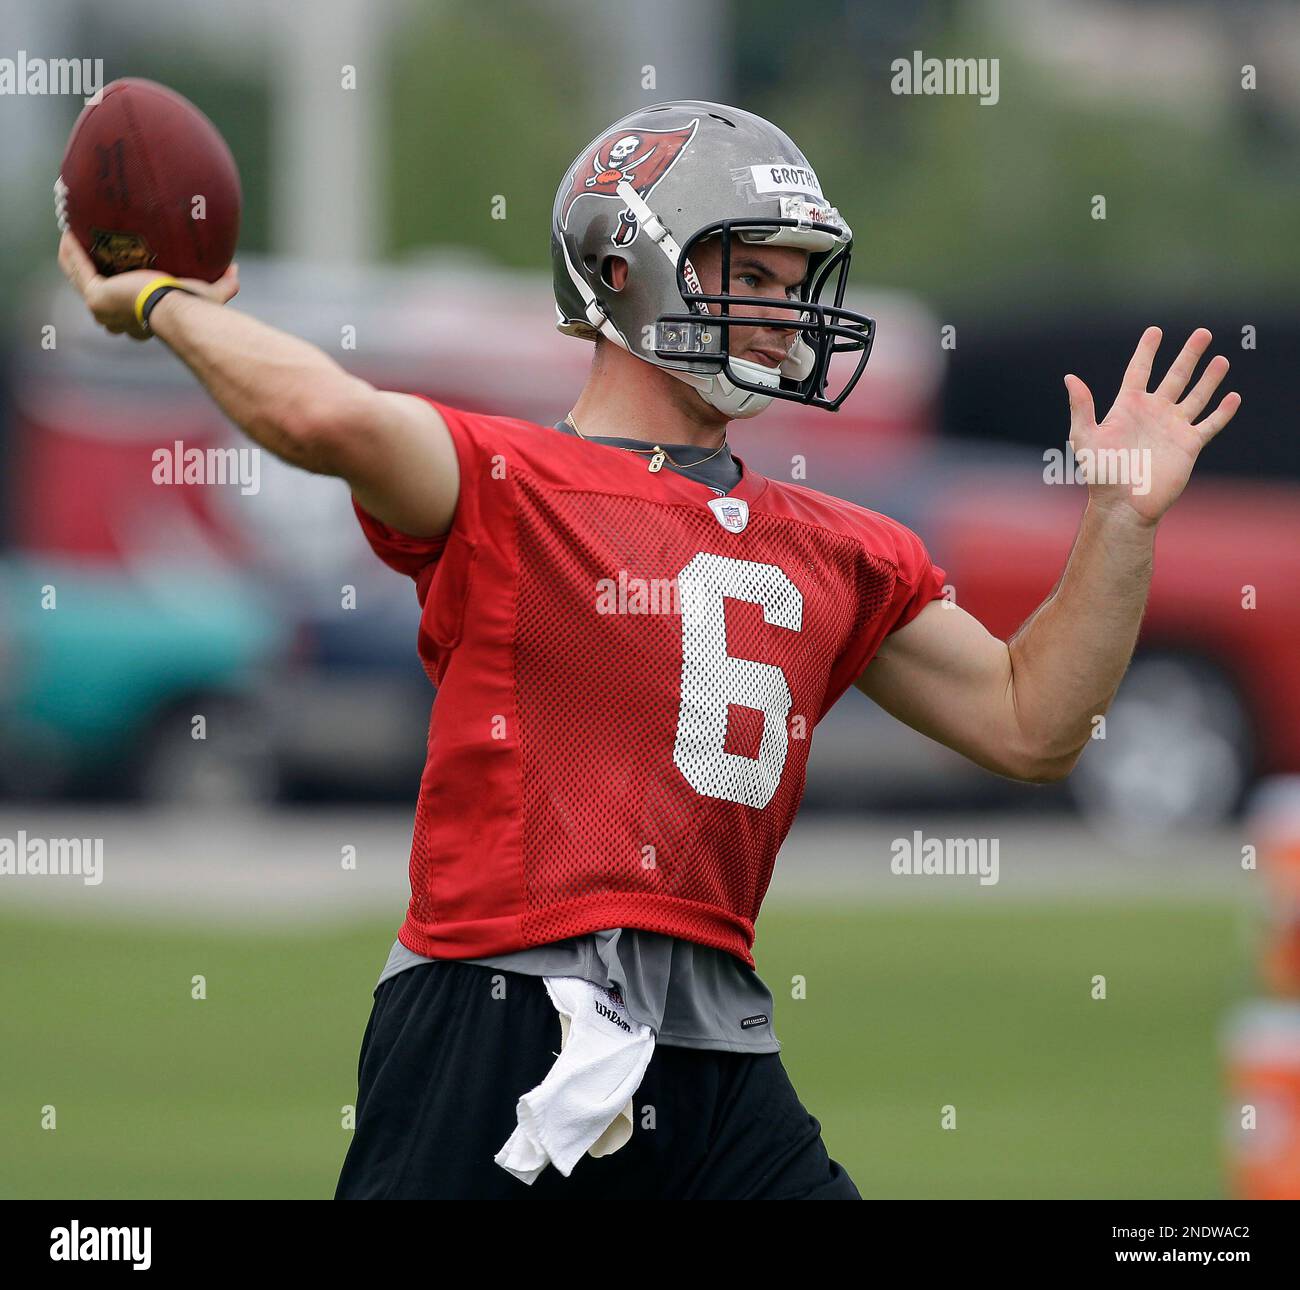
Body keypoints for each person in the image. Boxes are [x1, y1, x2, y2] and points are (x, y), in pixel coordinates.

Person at [59, 99, 1240, 1200]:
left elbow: (1036, 727)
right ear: (621, 272)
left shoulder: (836, 546)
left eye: (796, 279)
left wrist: (1119, 522)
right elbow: (322, 415)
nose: (785, 311)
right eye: (752, 273)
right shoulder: (515, 481)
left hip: (716, 1033)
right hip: (501, 1012)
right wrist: (170, 302)